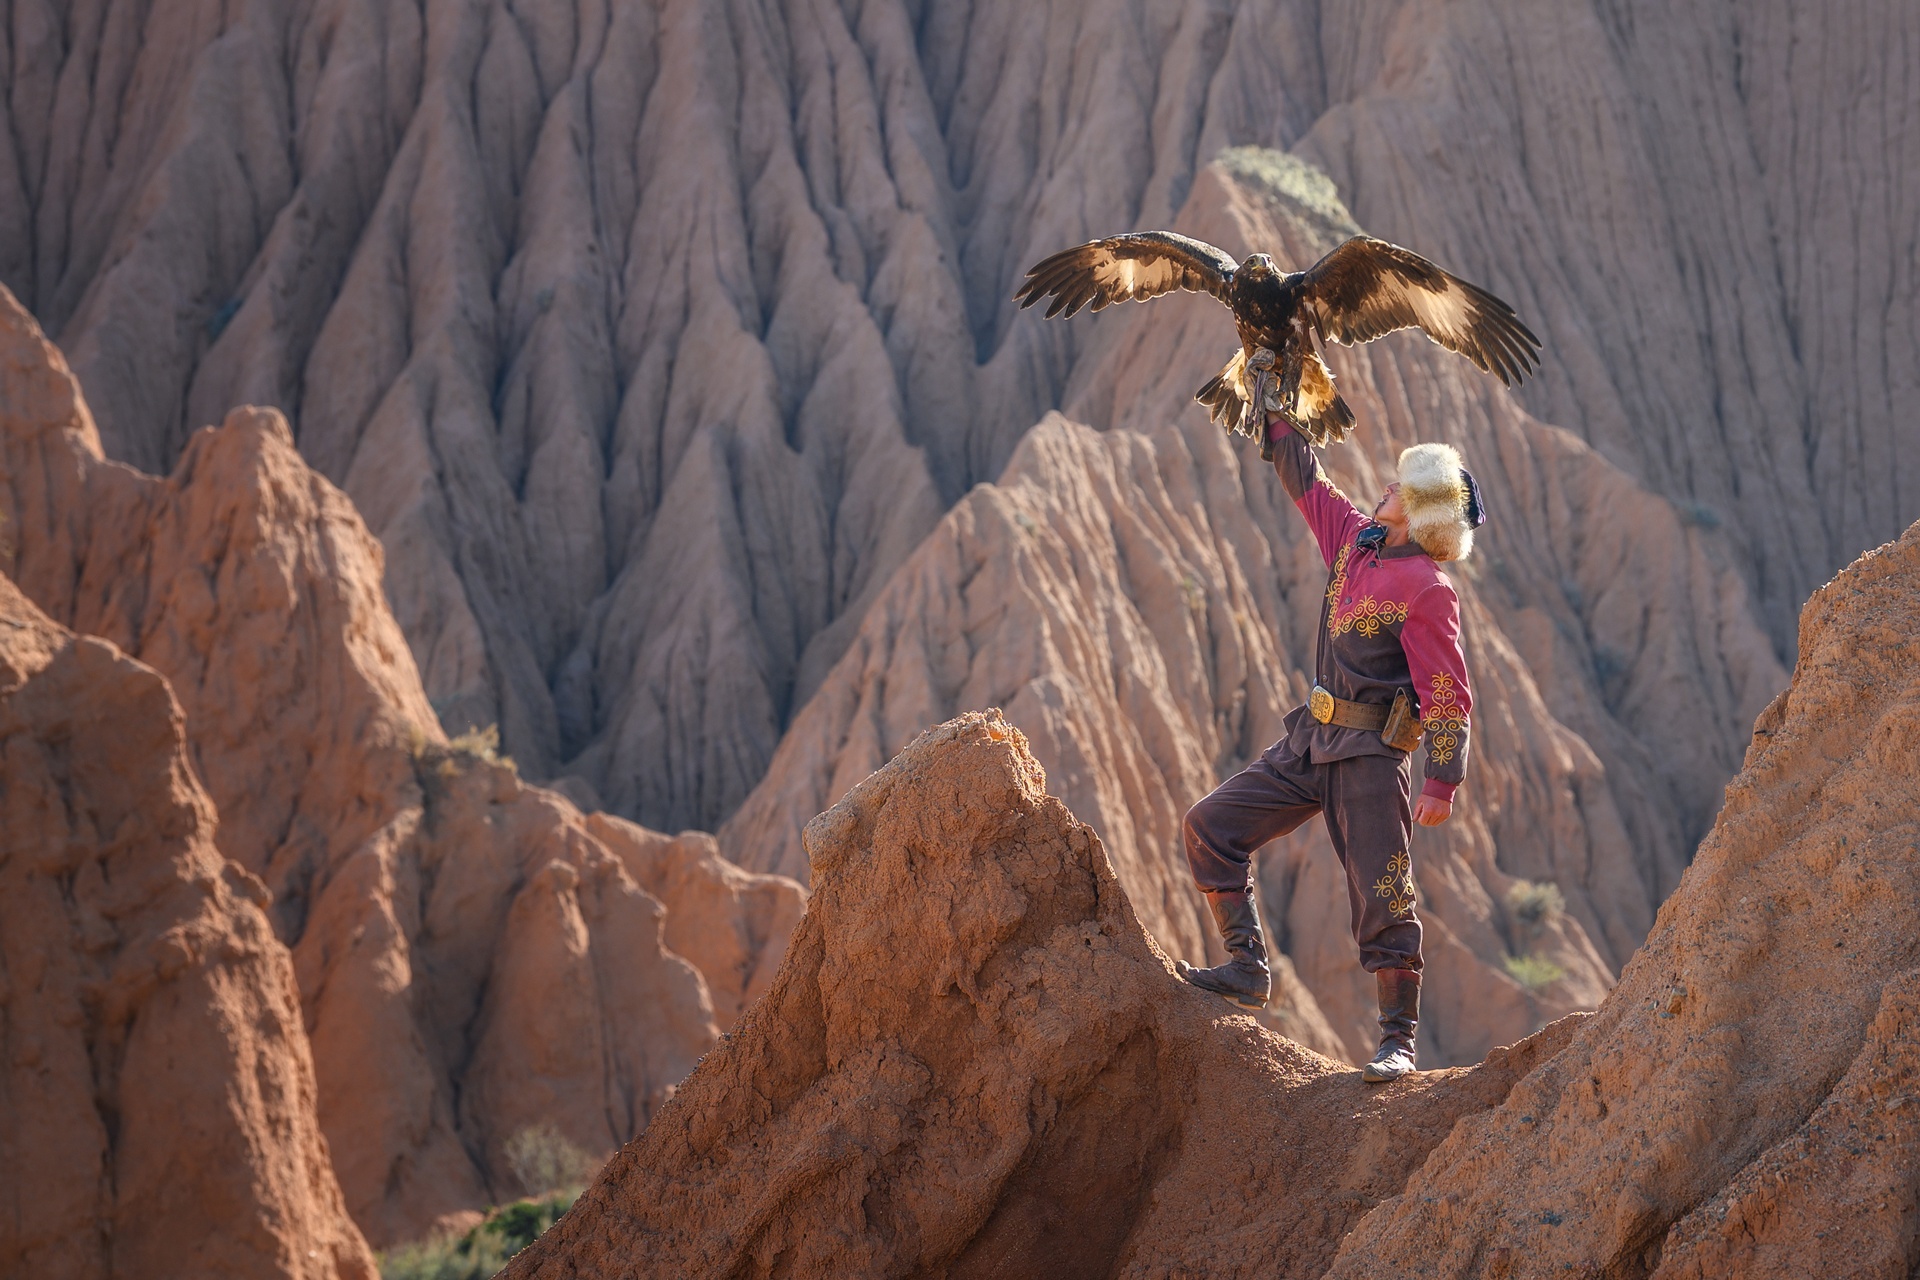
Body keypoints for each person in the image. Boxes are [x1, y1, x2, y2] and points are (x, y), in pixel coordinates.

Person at [1176, 405, 1482, 1083]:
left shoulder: (1428, 590)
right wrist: (1275, 415)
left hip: (1370, 759)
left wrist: (1441, 779)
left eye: (1403, 488)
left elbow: (1447, 691)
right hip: (1308, 741)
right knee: (1210, 827)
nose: (1386, 489)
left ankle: (1398, 1040)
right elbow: (1310, 484)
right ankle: (1247, 968)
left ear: (1422, 511)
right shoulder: (1356, 542)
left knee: (1383, 893)